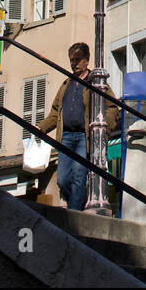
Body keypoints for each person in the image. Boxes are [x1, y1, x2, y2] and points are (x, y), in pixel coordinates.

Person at [38, 42, 120, 210]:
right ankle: (79, 204)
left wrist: (104, 131)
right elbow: (55, 112)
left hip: (84, 136)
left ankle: (73, 215)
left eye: (78, 59)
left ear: (87, 60)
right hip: (66, 136)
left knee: (79, 176)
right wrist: (41, 127)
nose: (74, 63)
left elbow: (112, 107)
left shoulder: (95, 82)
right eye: (71, 60)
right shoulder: (66, 84)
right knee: (62, 179)